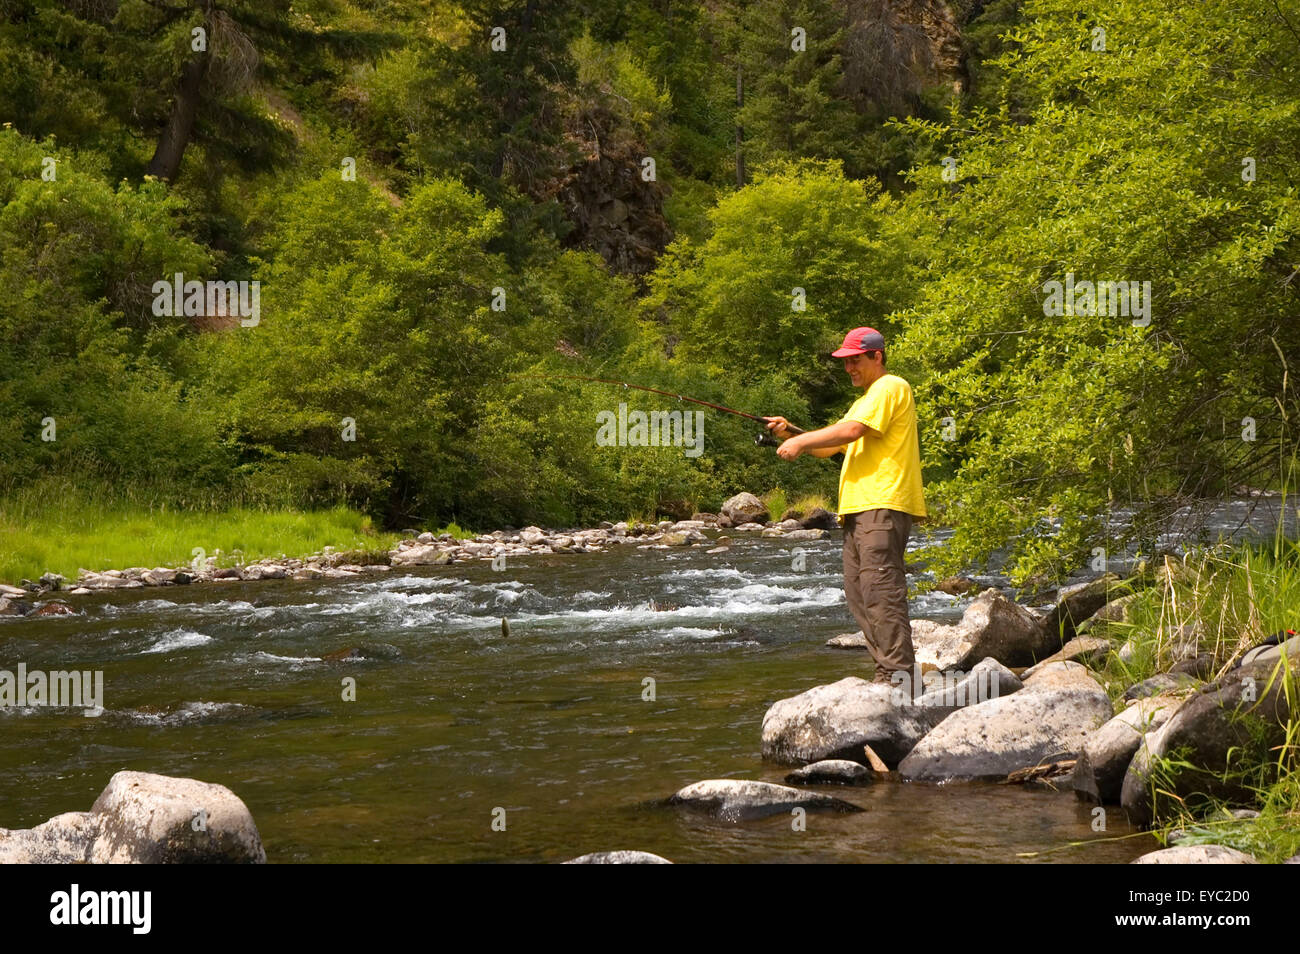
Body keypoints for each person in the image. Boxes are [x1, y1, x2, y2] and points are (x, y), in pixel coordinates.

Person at [764, 327, 927, 691]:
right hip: (859, 511)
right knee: (860, 595)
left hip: (882, 504)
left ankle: (901, 680)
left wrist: (802, 439)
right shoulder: (865, 400)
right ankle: (888, 673)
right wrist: (791, 432)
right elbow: (831, 446)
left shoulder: (890, 387)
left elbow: (850, 431)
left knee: (881, 591)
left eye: (855, 360)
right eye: (845, 361)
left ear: (877, 356)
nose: (849, 367)